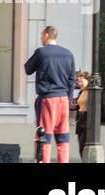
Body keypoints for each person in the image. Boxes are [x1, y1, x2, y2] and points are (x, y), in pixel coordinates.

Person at [22, 26, 75, 163]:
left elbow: (28, 69)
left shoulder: (41, 53)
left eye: (41, 36)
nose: (40, 38)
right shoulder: (68, 54)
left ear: (46, 35)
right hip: (63, 98)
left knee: (44, 135)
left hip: (48, 98)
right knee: (63, 136)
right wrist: (68, 98)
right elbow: (72, 79)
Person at [74, 71, 91, 158]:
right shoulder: (81, 92)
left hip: (87, 120)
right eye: (78, 81)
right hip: (80, 120)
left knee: (83, 146)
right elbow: (78, 105)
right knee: (81, 147)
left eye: (81, 81)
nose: (79, 83)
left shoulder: (91, 92)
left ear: (88, 80)